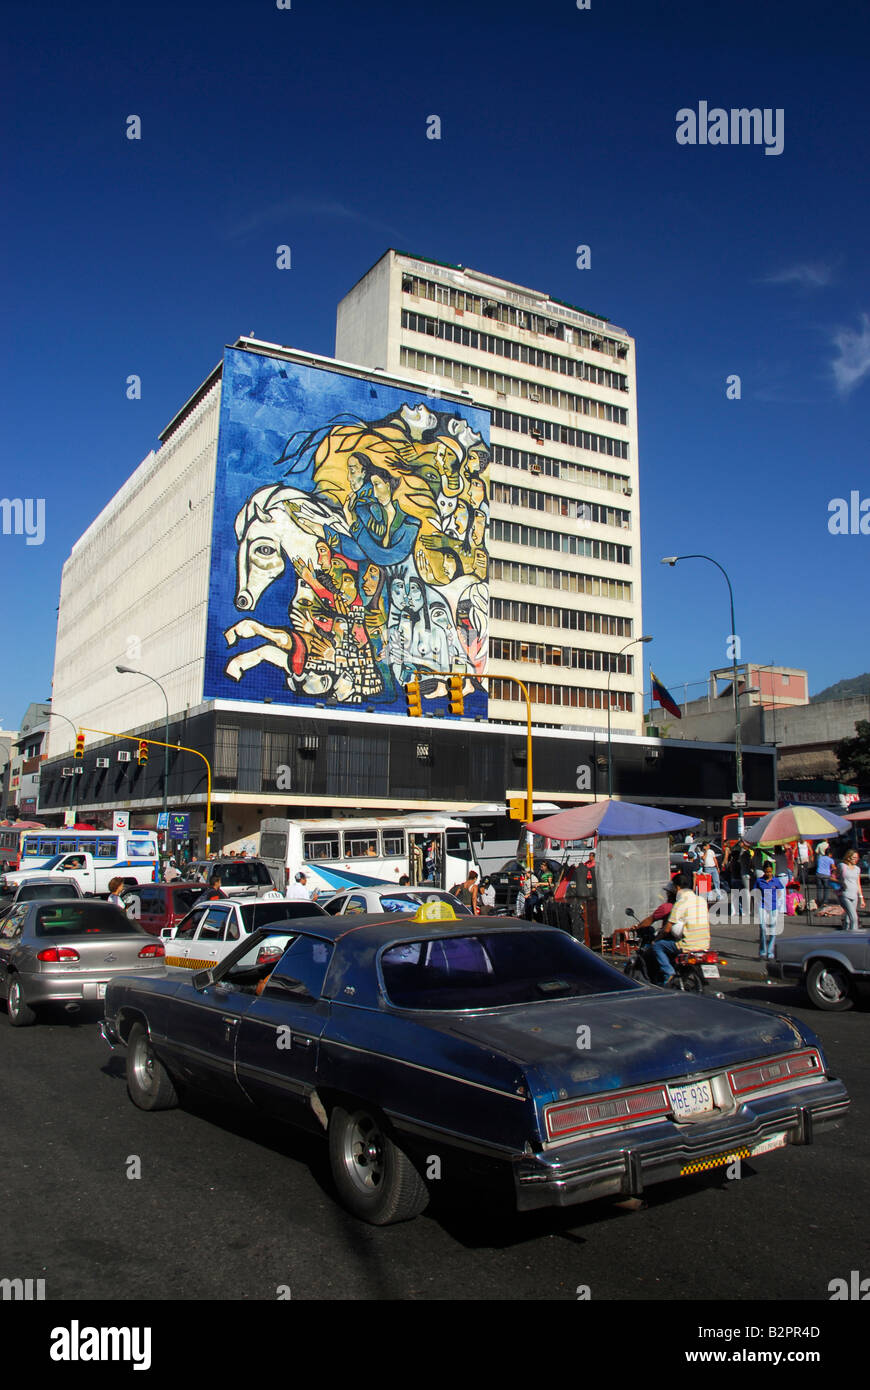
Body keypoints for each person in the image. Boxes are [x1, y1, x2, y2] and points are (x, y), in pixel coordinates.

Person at [652, 873, 710, 983]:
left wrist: (656, 939)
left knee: (658, 947)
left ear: (677, 887)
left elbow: (667, 929)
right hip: (704, 944)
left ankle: (669, 972)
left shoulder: (680, 903)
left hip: (688, 945)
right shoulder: (701, 900)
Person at [756, 862, 786, 960]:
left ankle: (770, 951)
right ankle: (762, 951)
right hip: (762, 906)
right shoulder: (759, 881)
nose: (768, 874)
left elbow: (781, 892)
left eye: (770, 872)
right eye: (766, 872)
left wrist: (778, 901)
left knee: (772, 929)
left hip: (773, 907)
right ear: (764, 871)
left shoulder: (776, 881)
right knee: (762, 928)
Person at [838, 850, 865, 931]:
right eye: (854, 858)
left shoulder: (857, 869)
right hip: (845, 894)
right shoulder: (842, 866)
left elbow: (858, 883)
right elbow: (832, 877)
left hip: (854, 895)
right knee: (854, 917)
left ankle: (845, 933)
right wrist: (839, 885)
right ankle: (854, 935)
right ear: (848, 858)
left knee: (848, 918)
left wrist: (861, 898)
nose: (856, 859)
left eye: (857, 858)